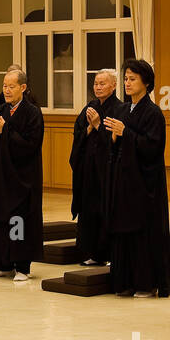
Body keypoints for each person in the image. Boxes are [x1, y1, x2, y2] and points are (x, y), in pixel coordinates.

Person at [104, 59, 170, 298]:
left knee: (142, 233)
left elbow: (153, 147)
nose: (128, 83)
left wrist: (126, 133)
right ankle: (125, 281)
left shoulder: (153, 112)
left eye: (133, 79)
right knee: (122, 231)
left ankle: (146, 283)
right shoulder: (121, 109)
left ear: (146, 82)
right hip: (122, 181)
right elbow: (113, 145)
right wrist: (114, 139)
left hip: (144, 184)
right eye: (126, 79)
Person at [0, 68, 44, 281]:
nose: (6, 90)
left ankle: (22, 266)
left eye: (11, 86)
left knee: (18, 222)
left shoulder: (33, 113)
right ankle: (2, 263)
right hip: (1, 180)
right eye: (4, 86)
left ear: (23, 88)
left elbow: (30, 145)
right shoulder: (0, 110)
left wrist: (5, 131)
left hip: (21, 180)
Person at [69, 69, 121, 266]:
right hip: (88, 169)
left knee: (105, 209)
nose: (98, 87)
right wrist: (90, 128)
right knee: (88, 210)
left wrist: (98, 126)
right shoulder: (90, 106)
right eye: (96, 83)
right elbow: (78, 132)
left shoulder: (119, 108)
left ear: (114, 86)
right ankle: (90, 252)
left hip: (106, 170)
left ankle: (107, 253)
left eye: (102, 83)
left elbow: (117, 141)